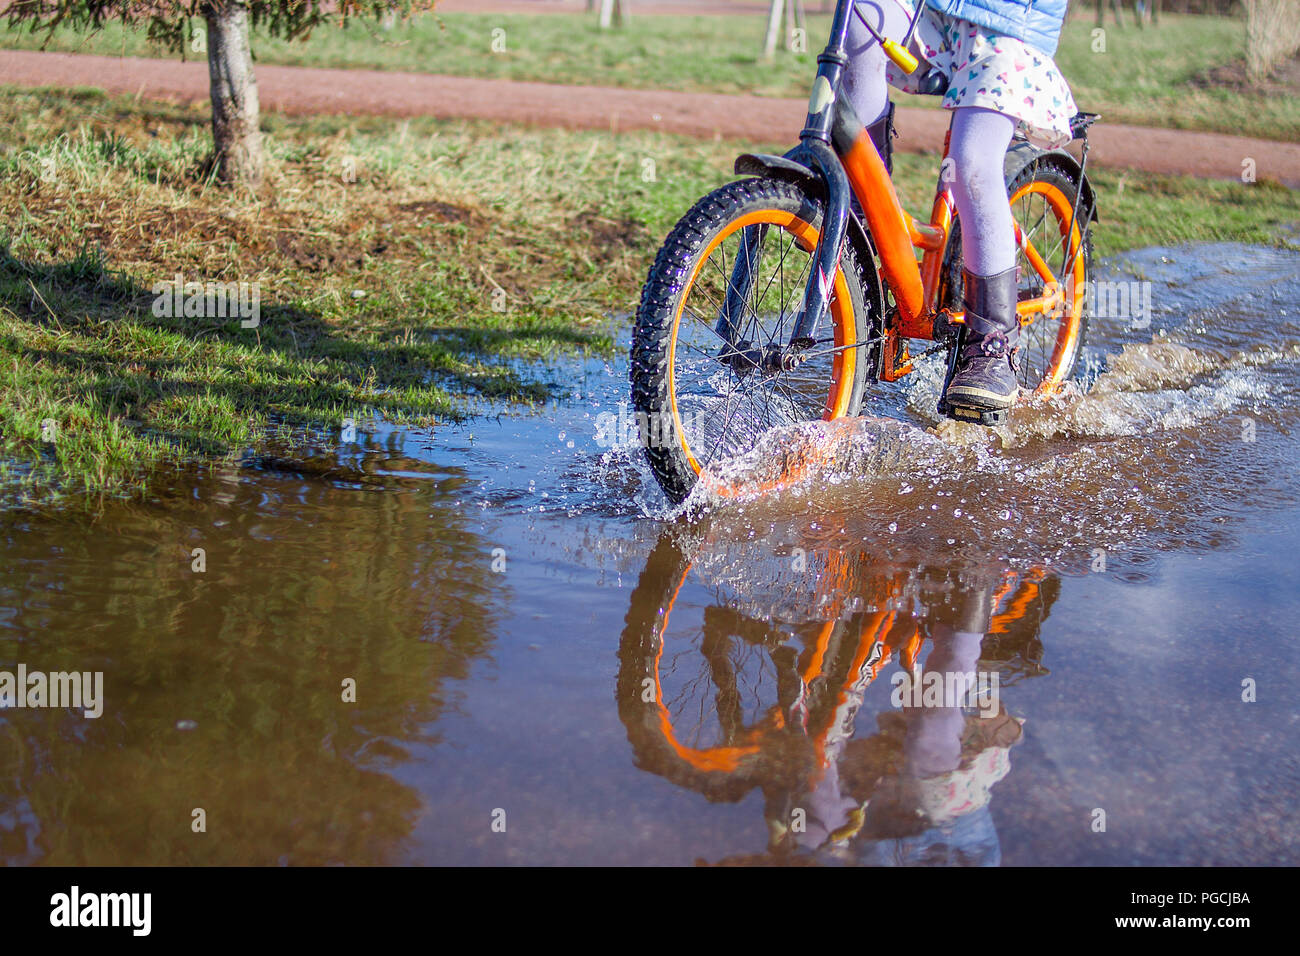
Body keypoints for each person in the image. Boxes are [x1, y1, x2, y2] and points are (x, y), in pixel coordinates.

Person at [843, 0, 1076, 417]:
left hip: (1006, 27)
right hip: (933, 13)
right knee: (860, 18)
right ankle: (864, 220)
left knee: (972, 164)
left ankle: (994, 341)